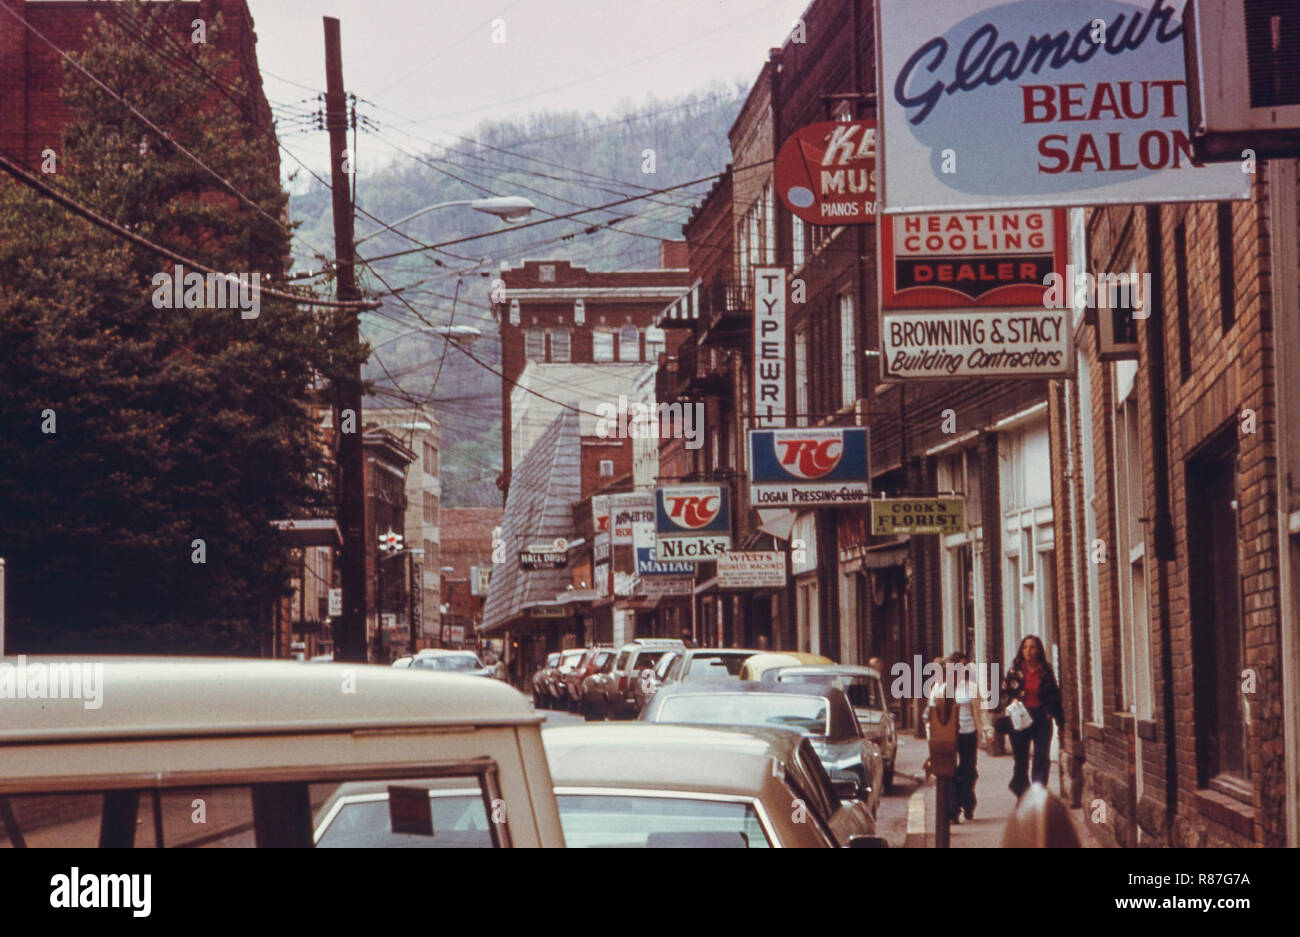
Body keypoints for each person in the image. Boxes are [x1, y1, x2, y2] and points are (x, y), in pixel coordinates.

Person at [925, 653, 991, 822]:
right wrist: (932, 738)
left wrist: (987, 730)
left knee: (969, 771)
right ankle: (953, 810)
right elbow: (931, 716)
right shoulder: (939, 688)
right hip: (949, 736)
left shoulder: (972, 688)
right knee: (951, 772)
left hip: (969, 734)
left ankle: (968, 802)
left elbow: (981, 711)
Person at [1000, 634, 1065, 798]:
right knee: (1021, 760)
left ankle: (1037, 796)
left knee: (1041, 758)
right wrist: (1011, 702)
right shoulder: (1015, 671)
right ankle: (1021, 792)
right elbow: (1004, 692)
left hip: (1041, 717)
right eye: (1025, 647)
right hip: (1020, 717)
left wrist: (1058, 718)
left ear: (1038, 650)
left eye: (1032, 647)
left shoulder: (1046, 670)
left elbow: (1054, 694)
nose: (1028, 651)